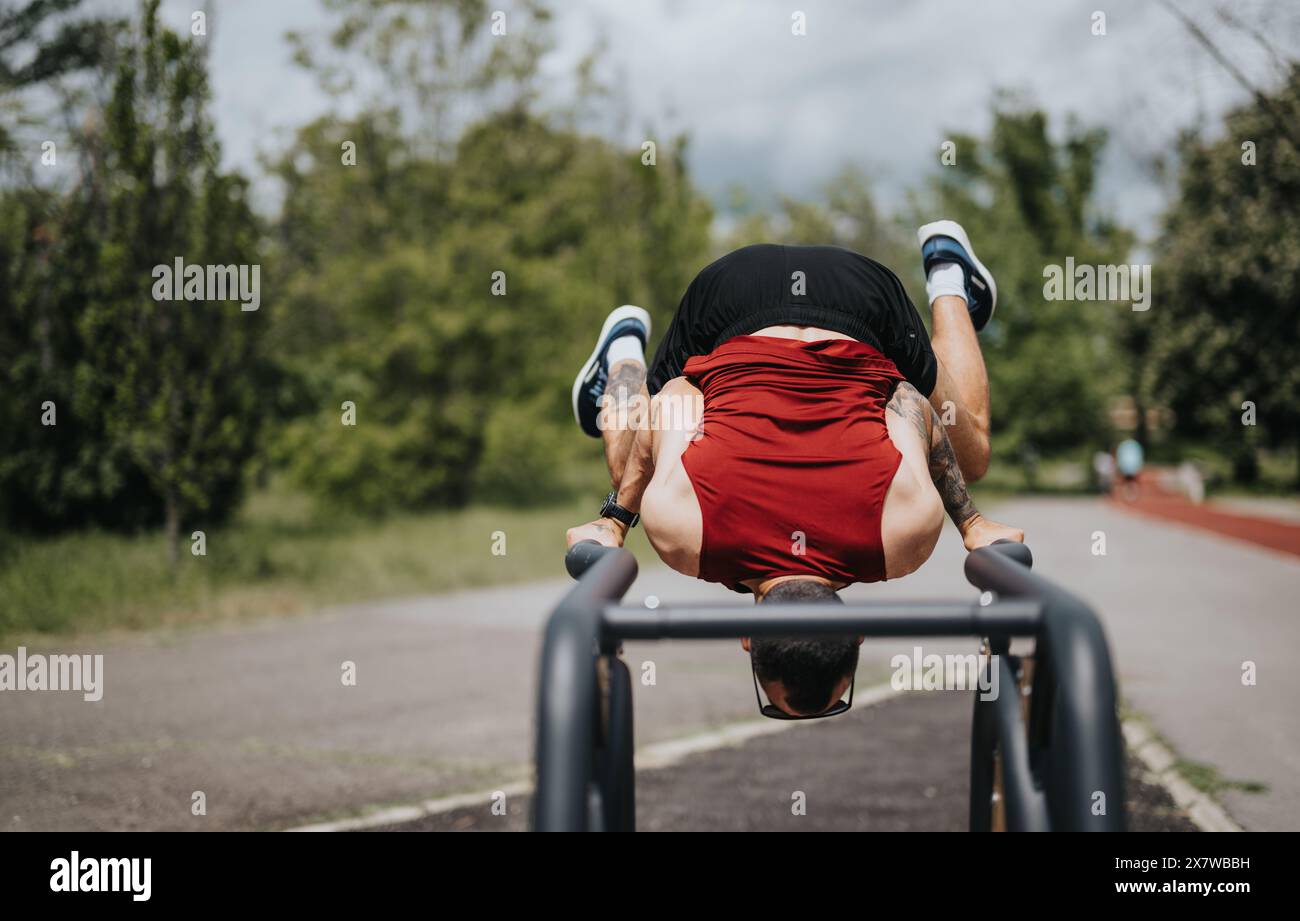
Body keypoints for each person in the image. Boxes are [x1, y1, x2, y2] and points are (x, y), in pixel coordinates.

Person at [566, 221, 1023, 716]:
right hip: (730, 293)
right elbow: (675, 401)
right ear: (746, 638)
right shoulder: (686, 532)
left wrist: (970, 523)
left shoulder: (902, 534)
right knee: (631, 462)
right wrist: (616, 518)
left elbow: (908, 403)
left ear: (858, 633)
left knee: (970, 455)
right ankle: (624, 347)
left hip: (858, 292)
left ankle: (946, 270)